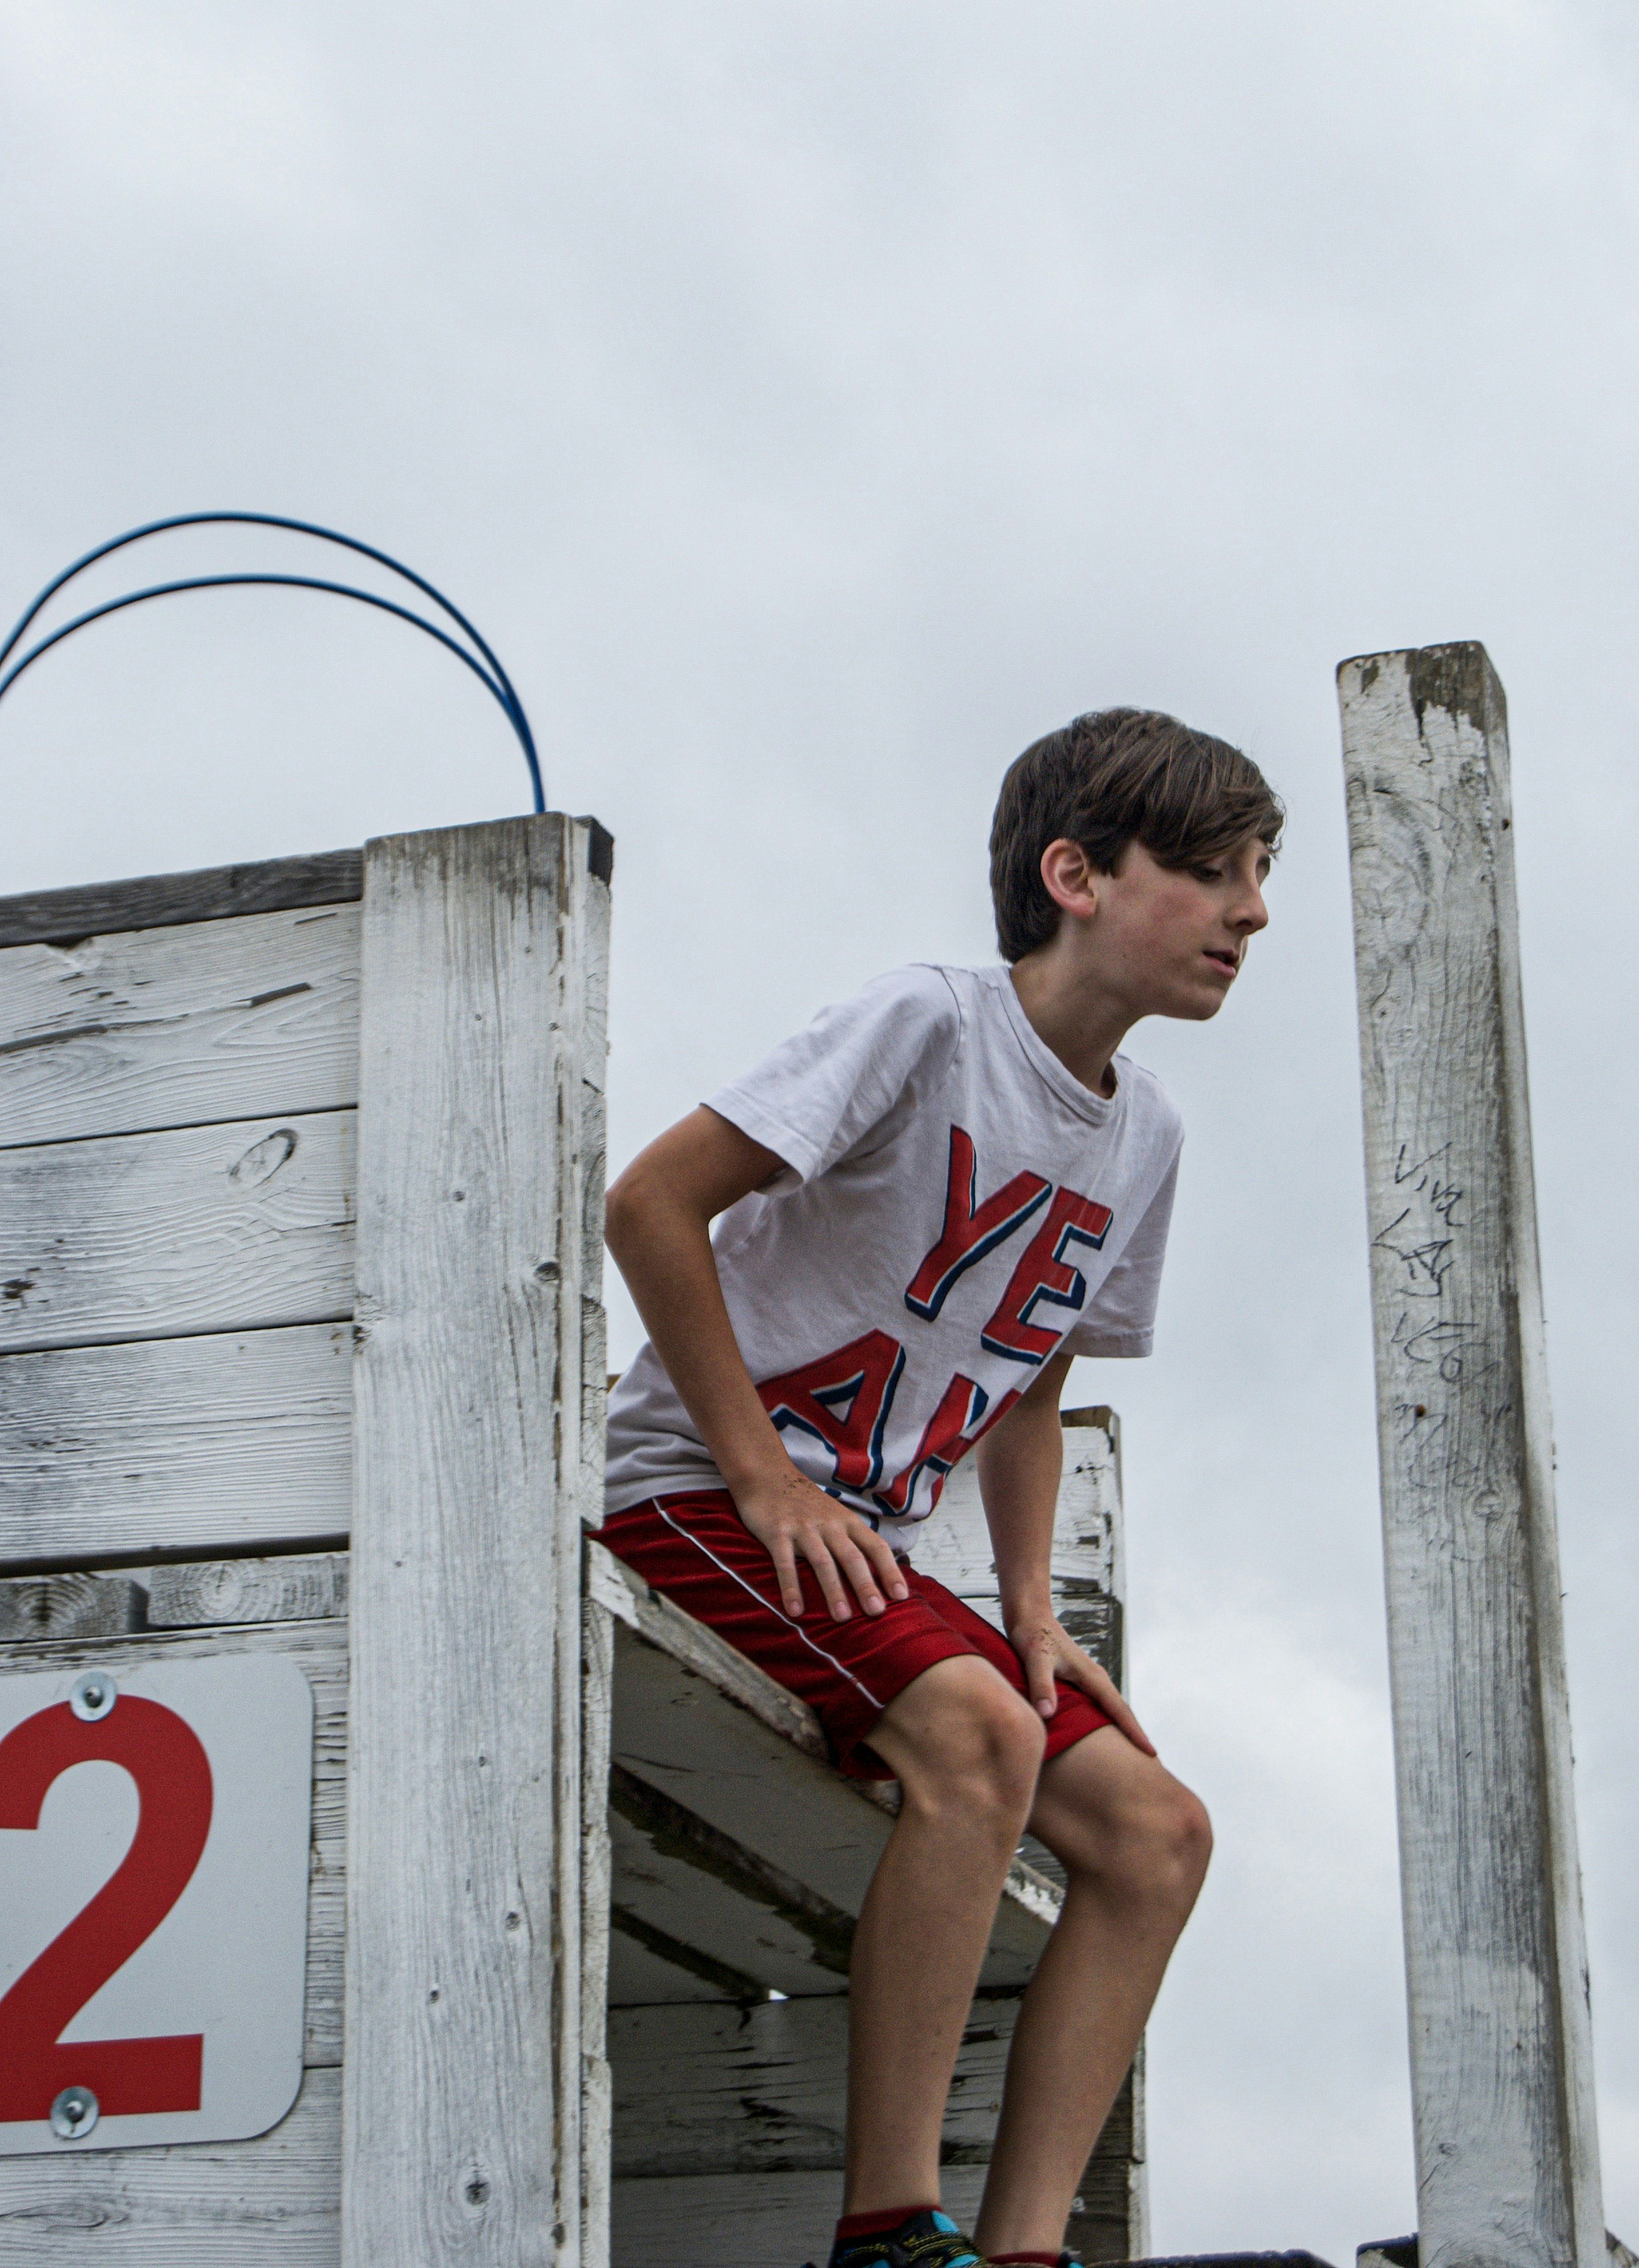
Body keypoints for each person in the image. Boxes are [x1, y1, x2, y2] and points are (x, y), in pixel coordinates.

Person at [597, 706, 1281, 2268]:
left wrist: (1029, 1603)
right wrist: (759, 1474)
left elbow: (1035, 1371)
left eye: (1261, 873)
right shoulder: (927, 1021)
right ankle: (891, 2231)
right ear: (1078, 875)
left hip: (877, 1556)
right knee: (974, 1735)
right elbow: (652, 1202)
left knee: (1158, 1831)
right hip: (703, 1498)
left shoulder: (1146, 1135)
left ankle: (1027, 2249)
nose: (1252, 910)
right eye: (1212, 869)